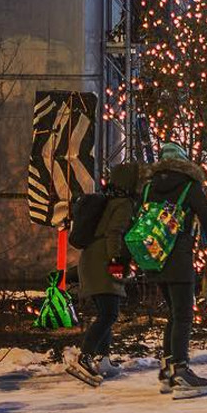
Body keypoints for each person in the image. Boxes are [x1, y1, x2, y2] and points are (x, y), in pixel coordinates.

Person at [146, 142, 207, 398]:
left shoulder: (148, 186)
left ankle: (167, 370)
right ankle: (181, 370)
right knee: (184, 315)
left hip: (154, 258)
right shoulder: (190, 186)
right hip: (178, 257)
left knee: (173, 313)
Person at [67, 162, 141, 387]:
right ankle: (85, 357)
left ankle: (103, 358)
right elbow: (114, 232)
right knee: (109, 314)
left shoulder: (108, 200)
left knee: (106, 312)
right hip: (103, 262)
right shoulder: (124, 204)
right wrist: (116, 262)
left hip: (92, 260)